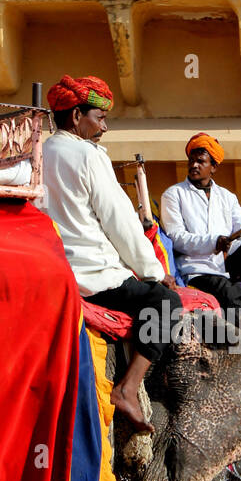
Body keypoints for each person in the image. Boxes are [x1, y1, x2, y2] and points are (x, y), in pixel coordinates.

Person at [38, 74, 181, 434]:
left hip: (52, 271)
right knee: (166, 303)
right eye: (99, 118)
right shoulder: (88, 155)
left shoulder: (37, 152)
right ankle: (128, 388)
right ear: (75, 117)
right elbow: (120, 221)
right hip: (93, 276)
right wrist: (152, 271)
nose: (104, 127)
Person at [160, 132, 241, 312]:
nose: (194, 165)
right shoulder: (174, 194)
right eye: (191, 161)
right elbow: (176, 237)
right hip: (195, 269)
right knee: (230, 295)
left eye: (200, 161)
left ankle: (237, 281)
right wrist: (214, 242)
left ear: (213, 167)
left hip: (226, 264)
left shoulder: (226, 196)